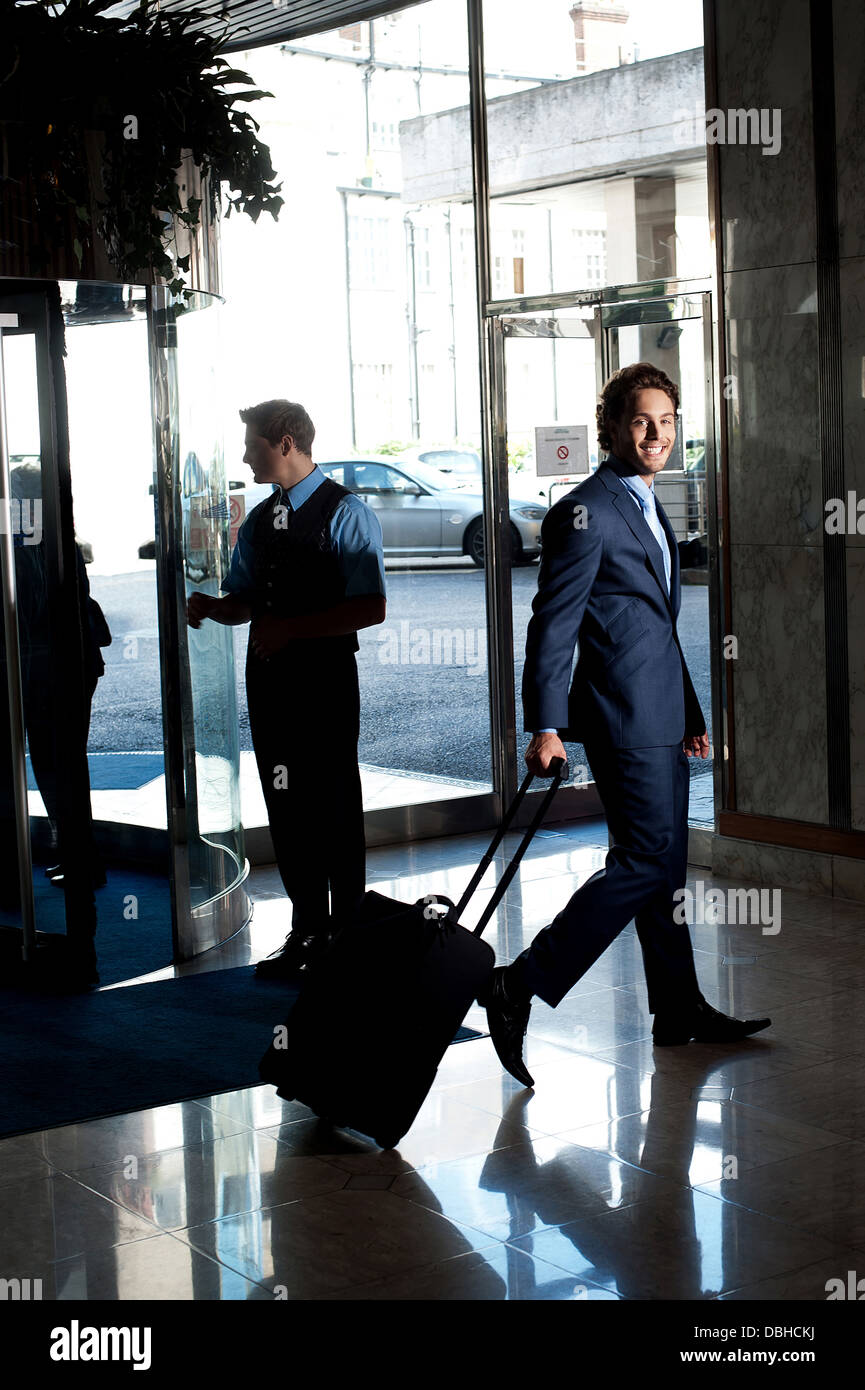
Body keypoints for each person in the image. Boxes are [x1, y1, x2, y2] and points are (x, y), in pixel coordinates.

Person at [482, 362, 771, 1086]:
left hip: (661, 718)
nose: (656, 435)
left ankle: (678, 1011)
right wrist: (545, 725)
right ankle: (517, 983)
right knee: (642, 862)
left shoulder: (646, 501)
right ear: (610, 425)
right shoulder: (583, 510)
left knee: (663, 871)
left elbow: (655, 623)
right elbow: (552, 627)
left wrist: (690, 713)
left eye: (667, 421)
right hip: (619, 721)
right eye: (641, 421)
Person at [187, 400, 386, 977]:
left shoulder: (347, 513)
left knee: (334, 801)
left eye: (251, 444)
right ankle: (307, 929)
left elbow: (370, 606)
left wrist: (290, 627)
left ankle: (346, 930)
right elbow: (248, 600)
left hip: (323, 680)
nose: (246, 455)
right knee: (287, 799)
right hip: (271, 679)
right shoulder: (259, 520)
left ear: (283, 442)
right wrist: (214, 608)